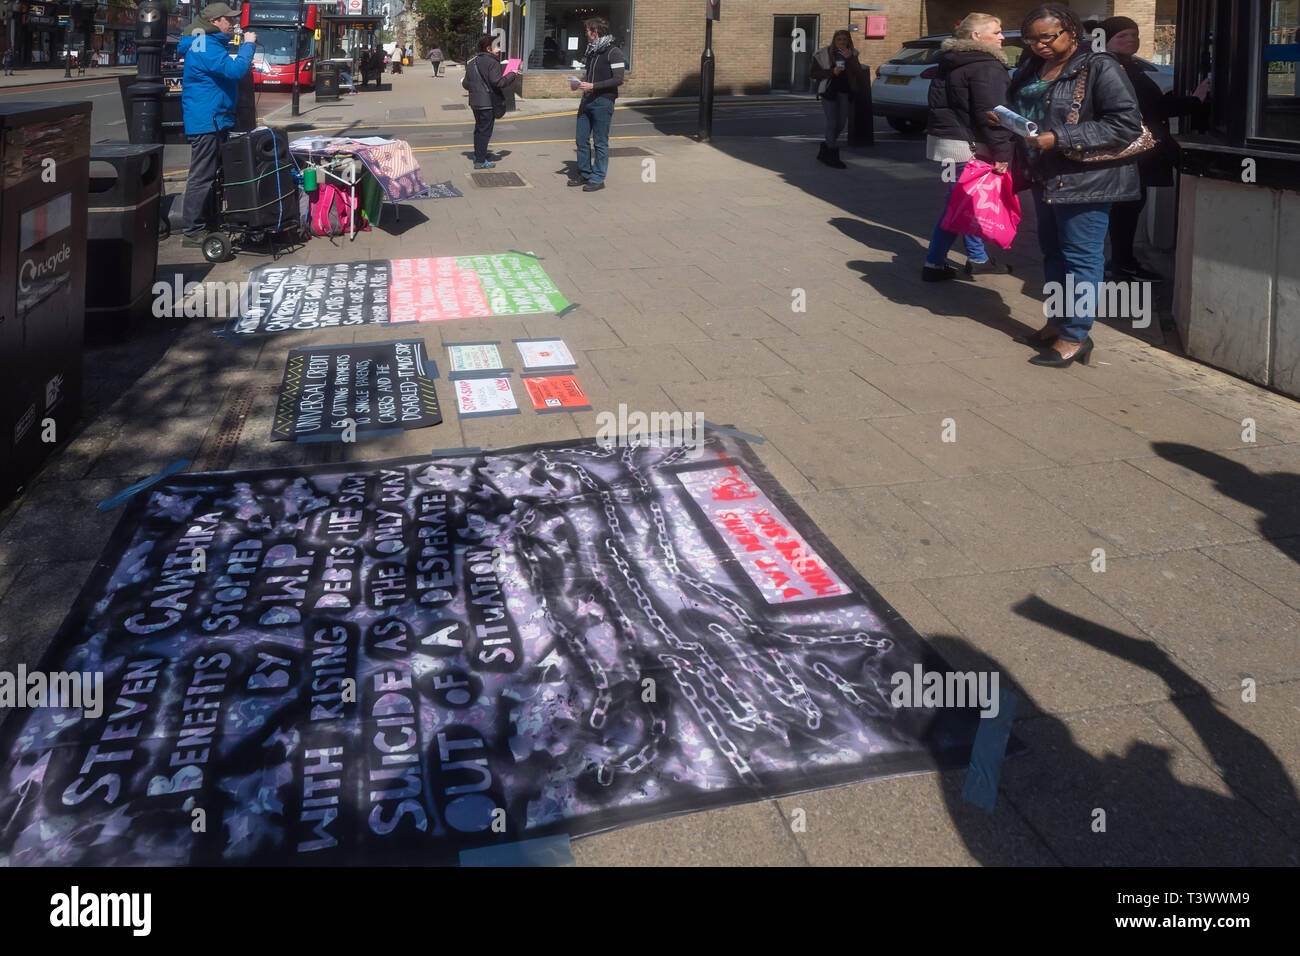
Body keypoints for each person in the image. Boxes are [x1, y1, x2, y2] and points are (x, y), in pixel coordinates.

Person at [1000, 3, 1143, 367]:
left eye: (1047, 37)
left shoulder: (1099, 66)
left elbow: (1125, 124)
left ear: (1072, 33)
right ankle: (1056, 323)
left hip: (1087, 180)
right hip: (1045, 176)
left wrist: (1058, 137)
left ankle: (1075, 336)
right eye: (1031, 40)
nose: (1039, 46)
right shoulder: (1033, 66)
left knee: (1081, 258)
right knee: (1053, 254)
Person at [1094, 15, 1209, 281]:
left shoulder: (1126, 66)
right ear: (1105, 41)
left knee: (1130, 206)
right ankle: (1122, 265)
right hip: (1130, 152)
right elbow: (1147, 108)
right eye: (1122, 36)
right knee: (1127, 208)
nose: (1131, 39)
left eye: (1133, 34)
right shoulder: (1113, 68)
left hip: (1133, 151)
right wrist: (1194, 100)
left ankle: (1123, 261)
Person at [921, 13, 1015, 281]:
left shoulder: (951, 61)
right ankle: (934, 264)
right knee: (959, 206)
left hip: (948, 143)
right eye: (996, 31)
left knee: (962, 203)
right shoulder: (986, 65)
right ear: (976, 36)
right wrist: (1002, 152)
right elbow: (992, 114)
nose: (1002, 37)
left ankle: (976, 257)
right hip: (969, 146)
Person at [177, 3, 257, 246]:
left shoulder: (206, 43)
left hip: (215, 118)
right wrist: (249, 45)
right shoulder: (206, 46)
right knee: (202, 176)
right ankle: (192, 230)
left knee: (213, 174)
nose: (233, 23)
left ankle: (208, 220)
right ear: (214, 22)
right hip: (207, 121)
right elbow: (233, 71)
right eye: (227, 20)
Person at [568, 16, 625, 192]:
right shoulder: (592, 51)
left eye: (588, 30)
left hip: (603, 101)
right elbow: (591, 76)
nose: (586, 33)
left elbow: (618, 79)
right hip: (587, 99)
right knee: (581, 139)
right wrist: (579, 83)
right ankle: (585, 172)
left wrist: (593, 86)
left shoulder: (613, 52)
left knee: (600, 142)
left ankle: (598, 178)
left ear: (596, 32)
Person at [809, 30, 869, 169]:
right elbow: (814, 73)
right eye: (839, 39)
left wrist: (851, 59)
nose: (842, 42)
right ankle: (831, 155)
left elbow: (859, 74)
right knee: (832, 122)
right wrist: (832, 72)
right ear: (834, 40)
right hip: (829, 92)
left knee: (841, 123)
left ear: (848, 41)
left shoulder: (852, 53)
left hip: (845, 92)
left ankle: (826, 147)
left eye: (845, 39)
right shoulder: (823, 54)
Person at [463, 35, 513, 169]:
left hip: (475, 102)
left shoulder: (472, 62)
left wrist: (476, 88)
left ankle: (478, 154)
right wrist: (512, 73)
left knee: (479, 129)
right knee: (485, 131)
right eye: (497, 46)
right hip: (487, 102)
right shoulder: (492, 62)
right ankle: (480, 161)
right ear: (488, 48)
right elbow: (498, 82)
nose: (499, 49)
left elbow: (466, 84)